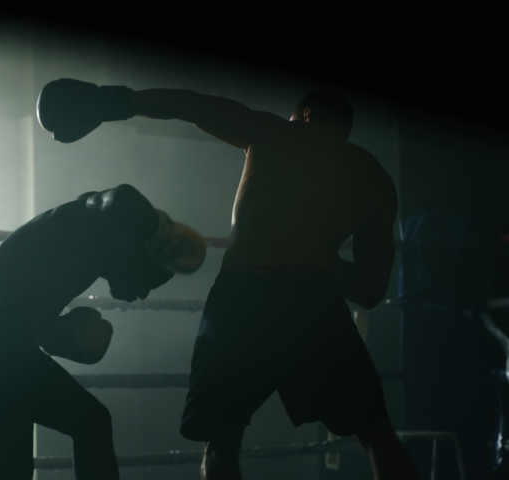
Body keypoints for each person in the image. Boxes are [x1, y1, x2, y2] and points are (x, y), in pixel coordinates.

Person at [37, 79, 418, 480]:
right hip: (313, 298)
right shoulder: (375, 178)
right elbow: (372, 291)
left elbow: (190, 102)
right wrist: (322, 257)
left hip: (243, 296)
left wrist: (112, 102)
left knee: (221, 443)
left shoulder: (273, 131)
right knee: (377, 435)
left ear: (305, 114)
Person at [0, 183, 207, 480]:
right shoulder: (91, 218)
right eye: (147, 280)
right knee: (92, 422)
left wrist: (57, 331)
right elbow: (122, 197)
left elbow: (20, 308)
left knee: (8, 473)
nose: (139, 293)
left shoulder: (71, 253)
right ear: (137, 246)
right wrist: (160, 230)